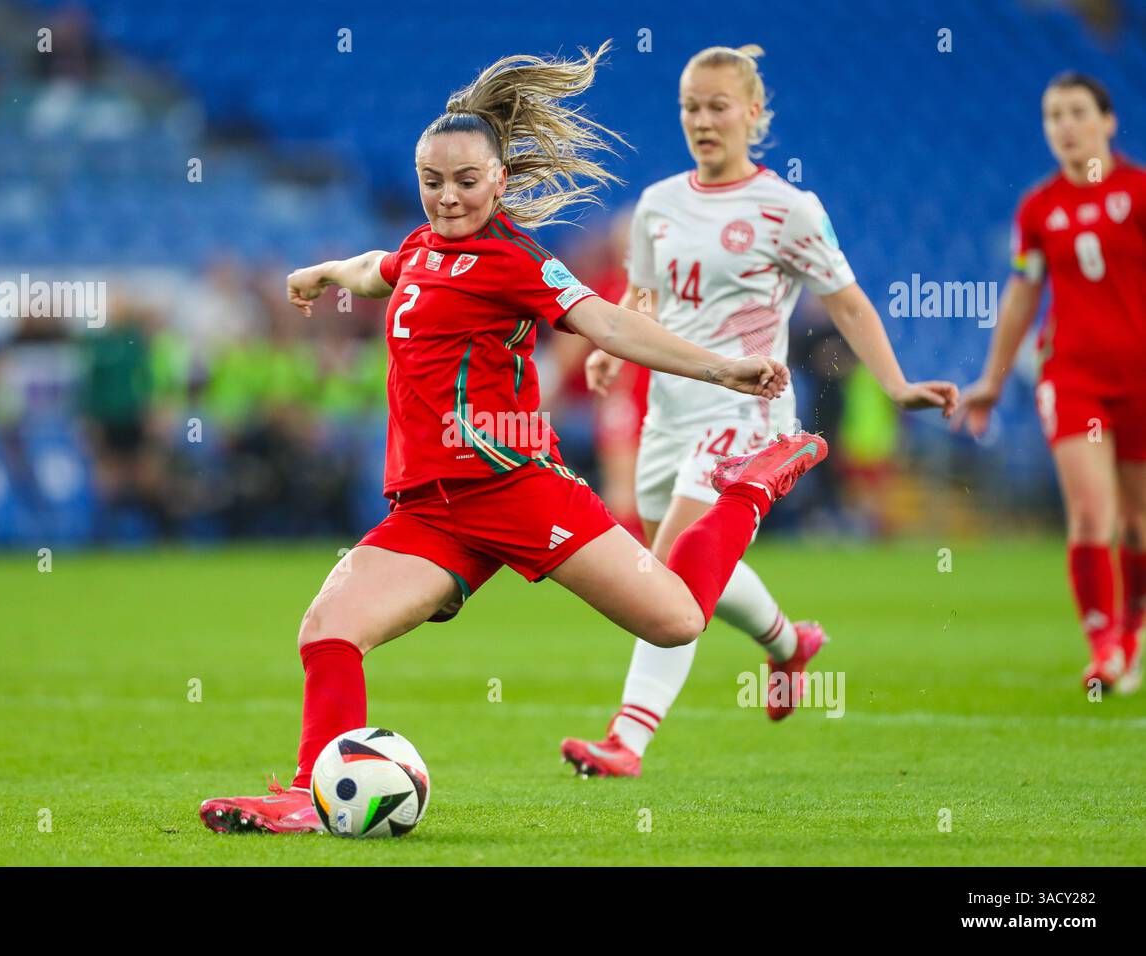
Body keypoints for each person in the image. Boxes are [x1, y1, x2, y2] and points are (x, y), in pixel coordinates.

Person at [199, 41, 826, 834]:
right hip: (430, 511)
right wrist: (321, 272)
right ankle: (308, 796)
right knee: (327, 630)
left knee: (677, 620)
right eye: (433, 183)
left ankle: (750, 486)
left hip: (520, 491)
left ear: (499, 180)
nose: (448, 198)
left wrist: (718, 370)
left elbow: (606, 321)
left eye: (466, 182)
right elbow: (376, 268)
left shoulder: (515, 262)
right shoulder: (422, 252)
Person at [560, 45, 958, 777]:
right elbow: (645, 298)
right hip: (669, 412)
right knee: (670, 567)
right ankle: (788, 643)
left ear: (753, 113)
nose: (703, 121)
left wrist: (897, 386)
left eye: (718, 106)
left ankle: (627, 739)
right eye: (690, 107)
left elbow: (847, 300)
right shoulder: (656, 204)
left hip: (747, 412)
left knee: (673, 578)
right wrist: (614, 345)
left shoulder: (788, 209)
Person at [957, 72, 1146, 694]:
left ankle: (1129, 633)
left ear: (1108, 121)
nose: (1064, 126)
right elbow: (1021, 292)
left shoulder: (1138, 193)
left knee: (1139, 520)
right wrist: (991, 377)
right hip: (1072, 375)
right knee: (1094, 511)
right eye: (1052, 115)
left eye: (1076, 112)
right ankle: (1101, 650)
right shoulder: (1039, 208)